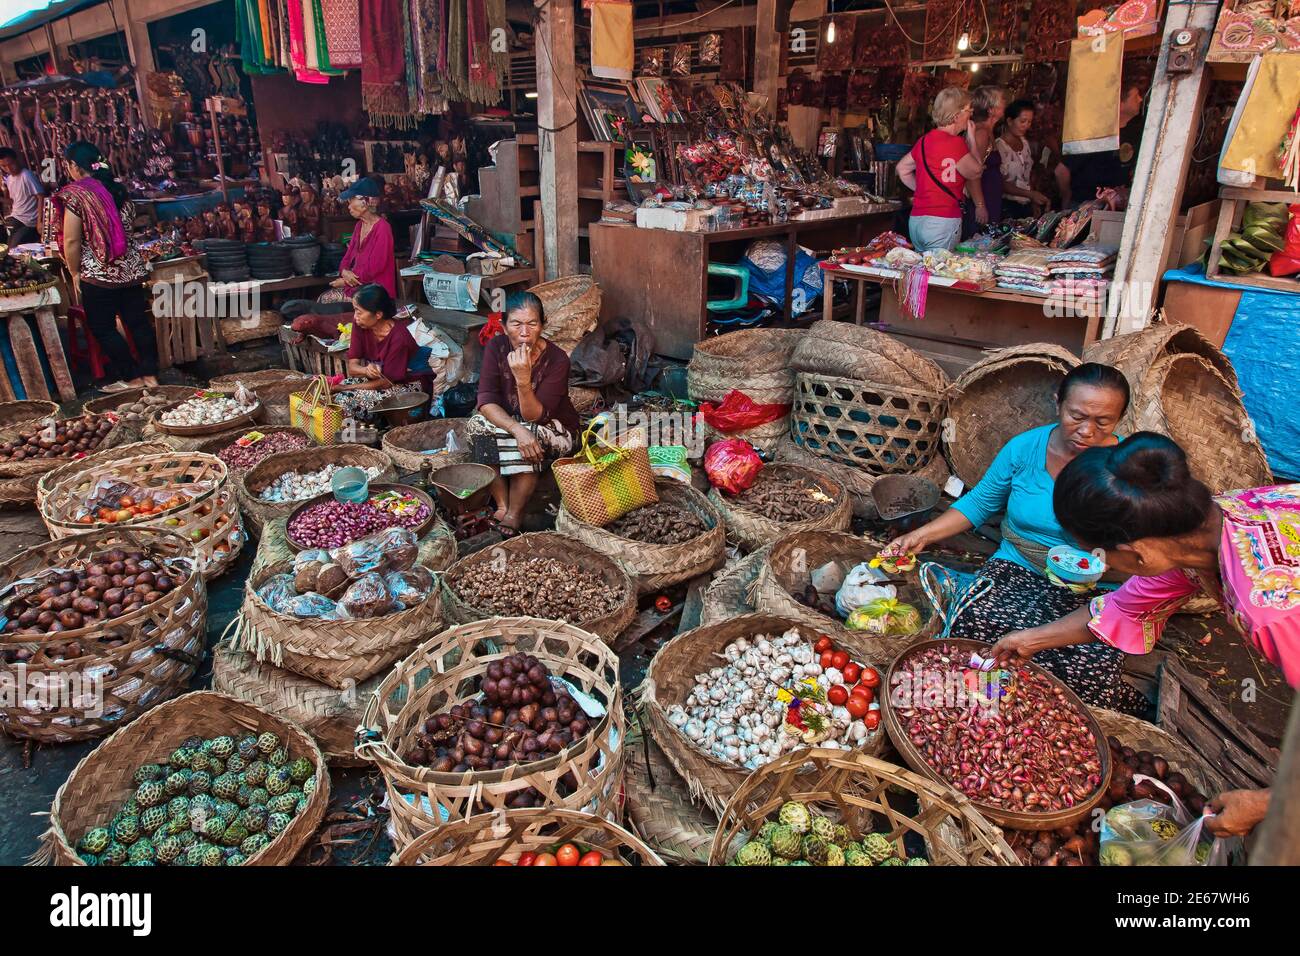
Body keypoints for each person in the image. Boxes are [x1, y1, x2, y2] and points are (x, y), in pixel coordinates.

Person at [990, 433, 1300, 839]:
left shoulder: (1269, 610)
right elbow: (1123, 606)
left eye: (1101, 556)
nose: (1098, 565)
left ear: (1138, 554)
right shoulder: (1215, 520)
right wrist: (1030, 640)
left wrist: (1265, 803)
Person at [887, 363, 1146, 713]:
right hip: (1018, 564)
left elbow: (1142, 550)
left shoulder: (1128, 467)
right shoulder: (1025, 449)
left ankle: (1037, 718)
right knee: (973, 626)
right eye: (1077, 415)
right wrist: (921, 535)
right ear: (1058, 403)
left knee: (1092, 663)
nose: (1086, 431)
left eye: (1103, 422)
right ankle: (978, 708)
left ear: (1121, 419)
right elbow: (979, 503)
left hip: (1091, 584)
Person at [469, 291, 579, 532]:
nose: (524, 332)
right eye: (516, 324)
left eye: (532, 324)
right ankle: (502, 504)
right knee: (477, 425)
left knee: (531, 433)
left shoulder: (558, 360)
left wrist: (522, 380)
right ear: (504, 326)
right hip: (516, 423)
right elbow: (486, 400)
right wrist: (515, 429)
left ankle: (516, 513)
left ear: (542, 325)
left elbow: (535, 416)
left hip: (555, 427)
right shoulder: (496, 348)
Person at [54, 141, 158, 393]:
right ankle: (150, 376)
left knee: (102, 327)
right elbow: (128, 230)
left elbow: (71, 239)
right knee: (138, 324)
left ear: (73, 166)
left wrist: (75, 271)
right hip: (131, 271)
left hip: (99, 274)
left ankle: (132, 378)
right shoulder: (119, 190)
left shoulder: (76, 195)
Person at [280, 177, 395, 321]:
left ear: (365, 203)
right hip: (358, 286)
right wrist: (344, 271)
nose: (348, 206)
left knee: (323, 303)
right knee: (323, 300)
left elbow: (376, 266)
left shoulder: (383, 228)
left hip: (375, 294)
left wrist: (346, 281)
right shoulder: (360, 226)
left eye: (351, 200)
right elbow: (347, 257)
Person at [896, 87, 986, 251]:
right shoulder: (956, 143)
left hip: (917, 220)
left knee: (921, 272)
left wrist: (924, 190)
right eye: (968, 110)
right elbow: (976, 171)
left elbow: (902, 169)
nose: (970, 114)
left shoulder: (923, 141)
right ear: (956, 115)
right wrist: (972, 139)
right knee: (939, 272)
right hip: (942, 221)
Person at [332, 283, 424, 420]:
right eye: (355, 310)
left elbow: (387, 382)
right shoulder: (360, 324)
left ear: (378, 314)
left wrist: (344, 389)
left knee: (343, 398)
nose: (355, 317)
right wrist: (365, 370)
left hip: (408, 388)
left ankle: (357, 437)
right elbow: (353, 367)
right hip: (380, 381)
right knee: (334, 392)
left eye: (359, 311)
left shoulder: (399, 338)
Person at [1055, 81, 1144, 209]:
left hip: (1114, 205)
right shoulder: (1095, 134)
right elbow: (1061, 171)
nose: (1140, 99)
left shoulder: (1134, 132)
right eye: (1135, 96)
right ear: (1120, 103)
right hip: (1085, 206)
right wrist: (1067, 196)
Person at [961, 85, 1005, 238]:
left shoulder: (987, 131)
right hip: (981, 197)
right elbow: (972, 172)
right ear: (991, 109)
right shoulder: (981, 133)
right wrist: (980, 205)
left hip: (989, 194)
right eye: (1002, 100)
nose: (1005, 103)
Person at [997, 99, 1050, 216]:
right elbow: (1001, 183)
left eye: (1029, 122)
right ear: (1010, 121)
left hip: (1025, 205)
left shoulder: (1024, 143)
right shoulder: (999, 147)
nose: (1026, 126)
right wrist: (1031, 194)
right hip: (1007, 207)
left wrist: (1032, 201)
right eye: (1022, 121)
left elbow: (1027, 177)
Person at [0, 147, 44, 246]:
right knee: (7, 249)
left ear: (16, 160)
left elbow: (41, 197)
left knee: (14, 252)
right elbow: (14, 201)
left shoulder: (27, 175)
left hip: (28, 221)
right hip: (15, 218)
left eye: (11, 164)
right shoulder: (10, 179)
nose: (8, 169)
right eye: (3, 166)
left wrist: (39, 221)